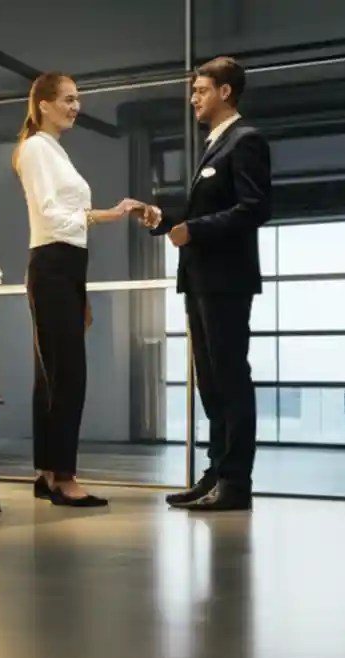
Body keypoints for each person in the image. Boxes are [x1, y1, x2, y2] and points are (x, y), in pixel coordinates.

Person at [141, 56, 272, 511]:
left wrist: (194, 230)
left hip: (226, 282)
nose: (193, 98)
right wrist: (165, 220)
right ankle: (217, 473)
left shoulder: (245, 141)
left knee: (231, 378)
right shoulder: (216, 145)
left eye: (200, 90)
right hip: (200, 281)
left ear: (225, 92)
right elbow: (203, 215)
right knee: (212, 383)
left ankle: (236, 483)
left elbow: (253, 209)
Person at [14, 72, 145, 508]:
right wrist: (103, 216)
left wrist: (80, 290)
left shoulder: (53, 150)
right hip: (53, 262)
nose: (75, 107)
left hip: (64, 266)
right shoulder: (35, 149)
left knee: (52, 373)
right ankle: (64, 477)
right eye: (68, 99)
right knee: (67, 373)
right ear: (44, 103)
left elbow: (64, 223)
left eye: (77, 100)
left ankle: (48, 472)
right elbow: (53, 217)